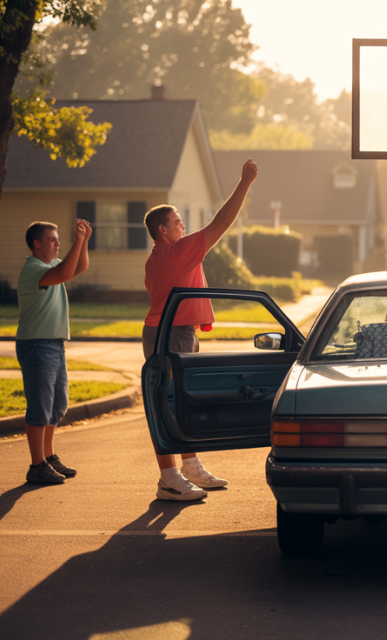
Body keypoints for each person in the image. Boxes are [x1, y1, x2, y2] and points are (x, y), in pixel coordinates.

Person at [142, 158, 258, 501]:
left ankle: (189, 467)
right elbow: (222, 222)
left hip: (178, 332)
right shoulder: (174, 252)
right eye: (177, 222)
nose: (183, 226)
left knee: (181, 404)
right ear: (163, 230)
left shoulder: (163, 256)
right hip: (170, 334)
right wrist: (245, 182)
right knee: (167, 405)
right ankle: (168, 478)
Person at [16, 218, 92, 485]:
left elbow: (79, 267)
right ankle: (36, 465)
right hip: (36, 344)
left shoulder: (51, 266)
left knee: (56, 405)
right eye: (52, 239)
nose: (58, 242)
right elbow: (64, 274)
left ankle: (48, 457)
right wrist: (78, 240)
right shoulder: (33, 269)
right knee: (40, 406)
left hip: (54, 344)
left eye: (58, 238)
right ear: (37, 244)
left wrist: (84, 241)